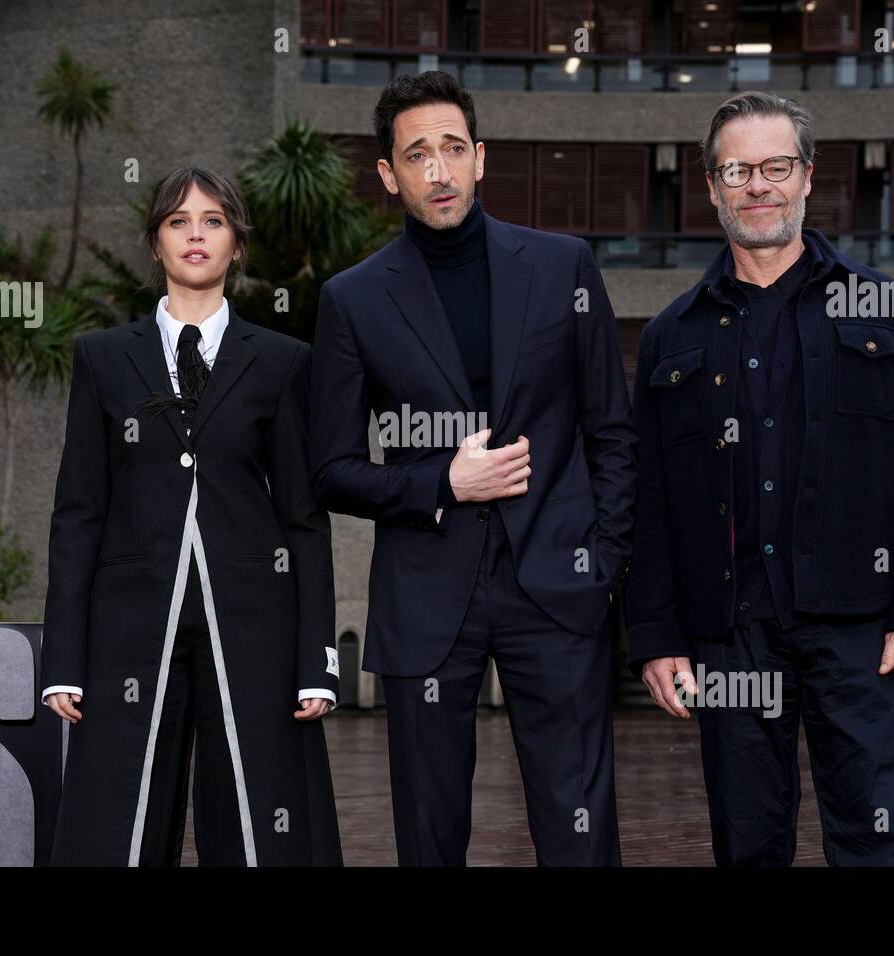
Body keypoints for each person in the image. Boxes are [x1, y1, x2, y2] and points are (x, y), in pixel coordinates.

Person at [309, 71, 636, 866]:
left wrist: (606, 562)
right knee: (429, 834)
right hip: (427, 598)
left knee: (578, 825)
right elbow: (331, 468)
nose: (439, 170)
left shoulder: (564, 268)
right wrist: (441, 485)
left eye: (453, 148)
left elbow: (614, 433)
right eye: (416, 155)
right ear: (388, 175)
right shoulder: (353, 299)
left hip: (557, 586)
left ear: (481, 157)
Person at [625, 91, 894, 866]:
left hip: (860, 628)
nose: (758, 186)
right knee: (747, 841)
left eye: (776, 166)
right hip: (729, 633)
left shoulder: (883, 307)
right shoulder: (673, 332)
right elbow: (650, 503)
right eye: (737, 169)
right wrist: (657, 635)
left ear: (808, 177)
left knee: (880, 834)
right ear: (710, 187)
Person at [40, 167, 342, 866]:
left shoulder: (282, 361)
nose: (195, 234)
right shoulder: (103, 359)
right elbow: (77, 512)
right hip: (128, 626)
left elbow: (304, 519)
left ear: (237, 244)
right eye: (178, 221)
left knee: (259, 809)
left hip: (256, 625)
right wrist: (63, 658)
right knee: (119, 812)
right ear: (155, 243)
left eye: (213, 221)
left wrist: (317, 661)